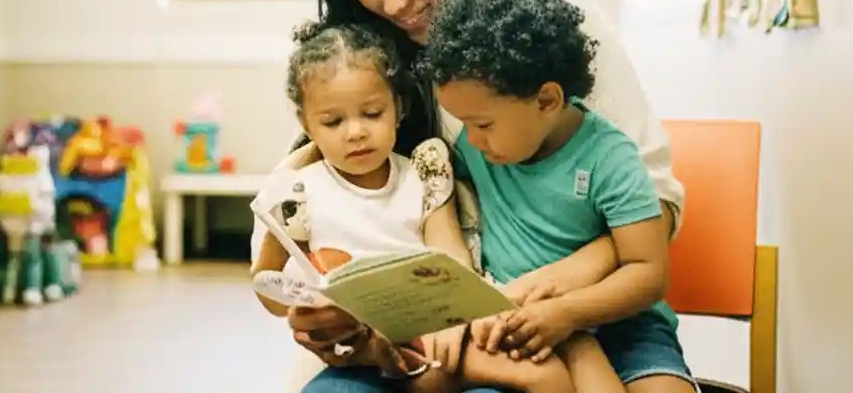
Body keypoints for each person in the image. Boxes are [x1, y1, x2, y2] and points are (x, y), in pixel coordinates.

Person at [250, 0, 686, 391]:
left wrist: (553, 291)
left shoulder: (551, 29)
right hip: (431, 324)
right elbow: (310, 198)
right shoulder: (367, 66)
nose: (391, 4)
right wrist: (328, 309)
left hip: (592, 310)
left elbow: (658, 200)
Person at [253, 20, 616, 392]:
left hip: (437, 332)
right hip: (359, 348)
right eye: (333, 121)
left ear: (398, 107)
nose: (355, 131)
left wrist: (461, 315)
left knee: (544, 374)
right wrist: (294, 283)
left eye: (372, 114)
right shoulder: (298, 190)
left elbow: (451, 256)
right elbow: (273, 292)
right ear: (307, 124)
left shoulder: (425, 172)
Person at [422, 0, 697, 392]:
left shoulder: (610, 157)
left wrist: (567, 314)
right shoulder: (477, 150)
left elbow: (647, 272)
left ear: (547, 100)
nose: (472, 141)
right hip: (517, 325)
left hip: (622, 324)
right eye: (464, 124)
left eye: (483, 124)